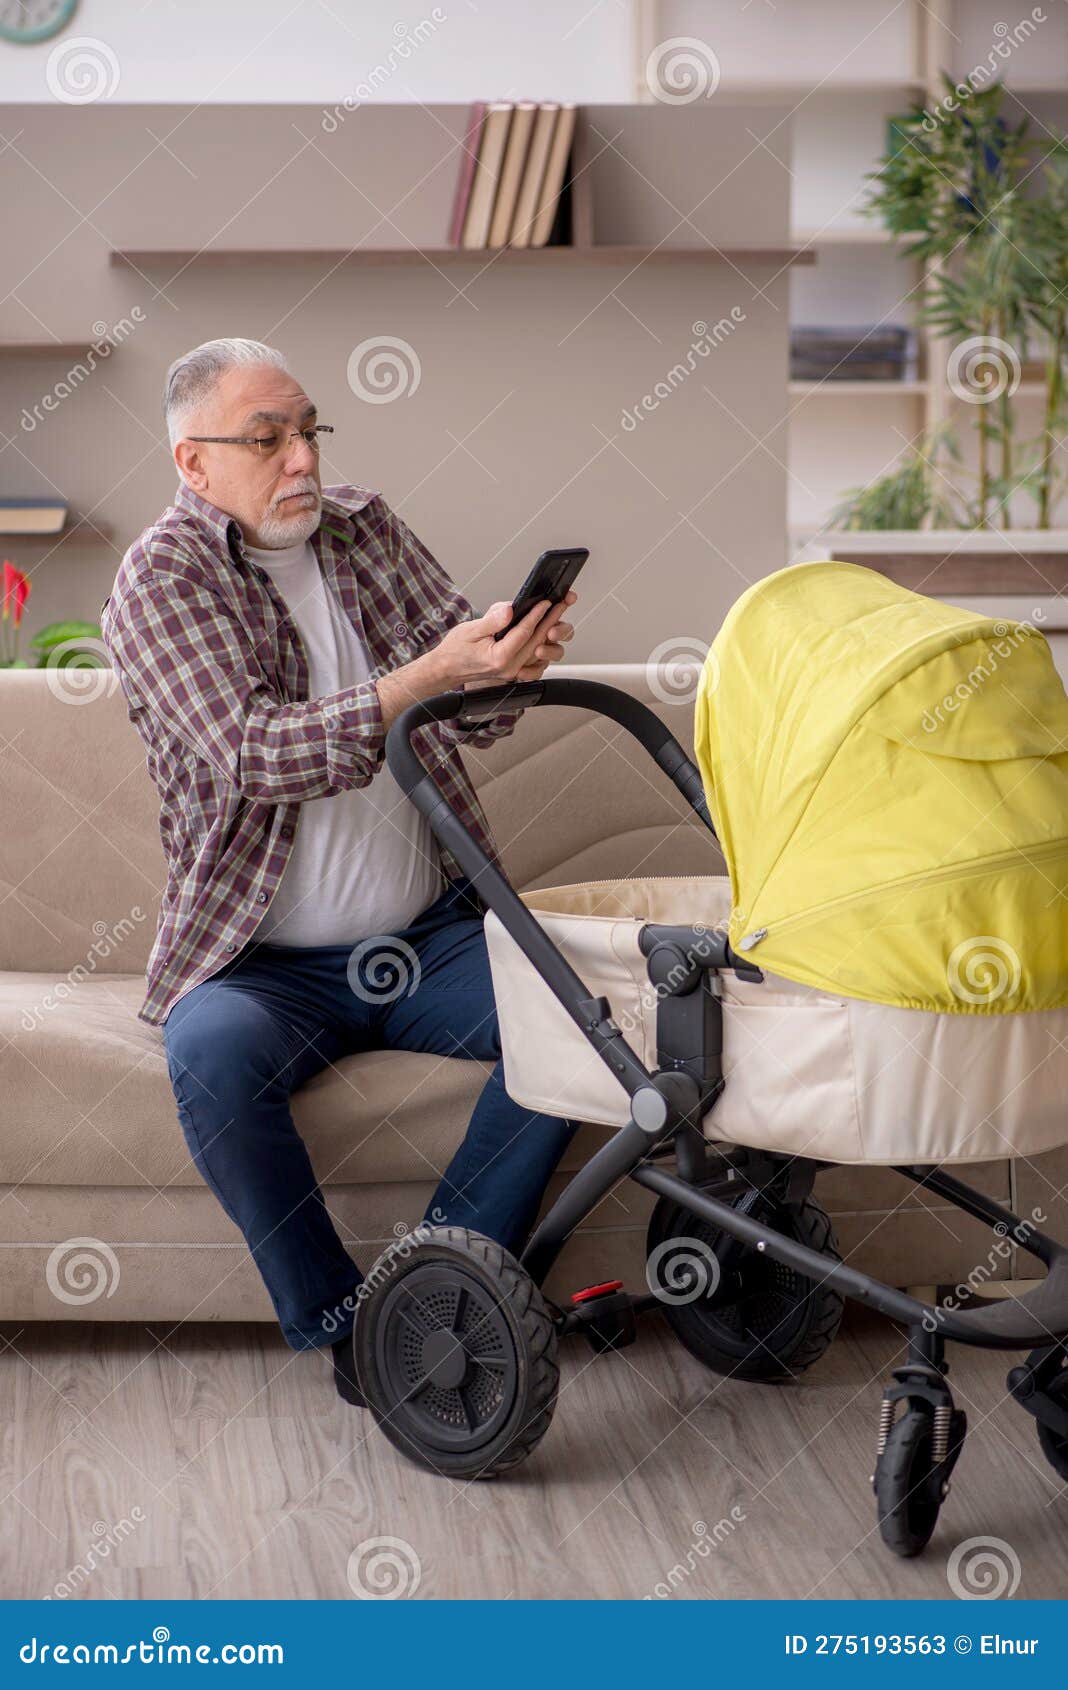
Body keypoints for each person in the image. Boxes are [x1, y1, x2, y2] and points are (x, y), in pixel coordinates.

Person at [101, 336, 579, 1407]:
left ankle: (434, 1294)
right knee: (211, 1059)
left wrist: (504, 669)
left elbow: (469, 713)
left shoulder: (366, 530)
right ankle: (346, 1331)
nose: (302, 460)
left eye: (308, 430)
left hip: (426, 935)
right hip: (259, 963)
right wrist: (421, 678)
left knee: (582, 1020)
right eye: (266, 440)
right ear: (195, 463)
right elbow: (253, 754)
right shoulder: (159, 580)